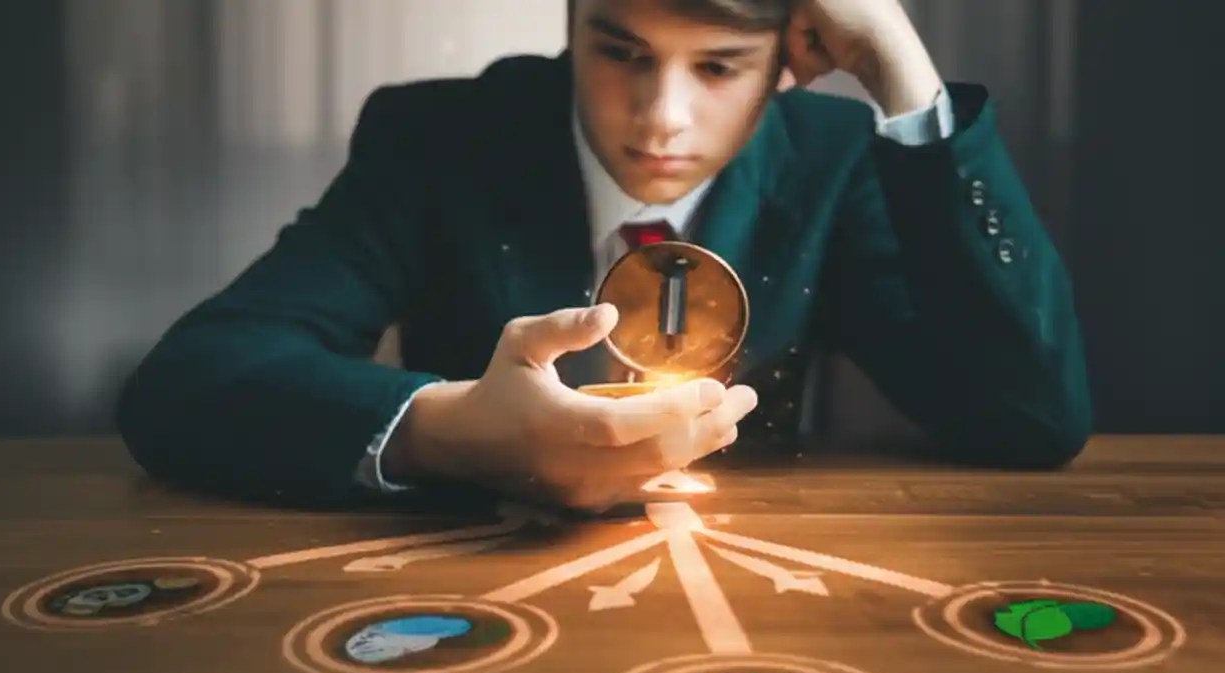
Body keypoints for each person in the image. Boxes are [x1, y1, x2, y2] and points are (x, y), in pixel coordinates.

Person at [116, 0, 1092, 512]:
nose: (661, 120)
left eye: (717, 66)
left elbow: (1028, 418)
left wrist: (897, 67)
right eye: (620, 51)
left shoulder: (828, 160)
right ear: (568, 24)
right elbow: (187, 382)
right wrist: (448, 431)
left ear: (789, 55)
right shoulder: (440, 137)